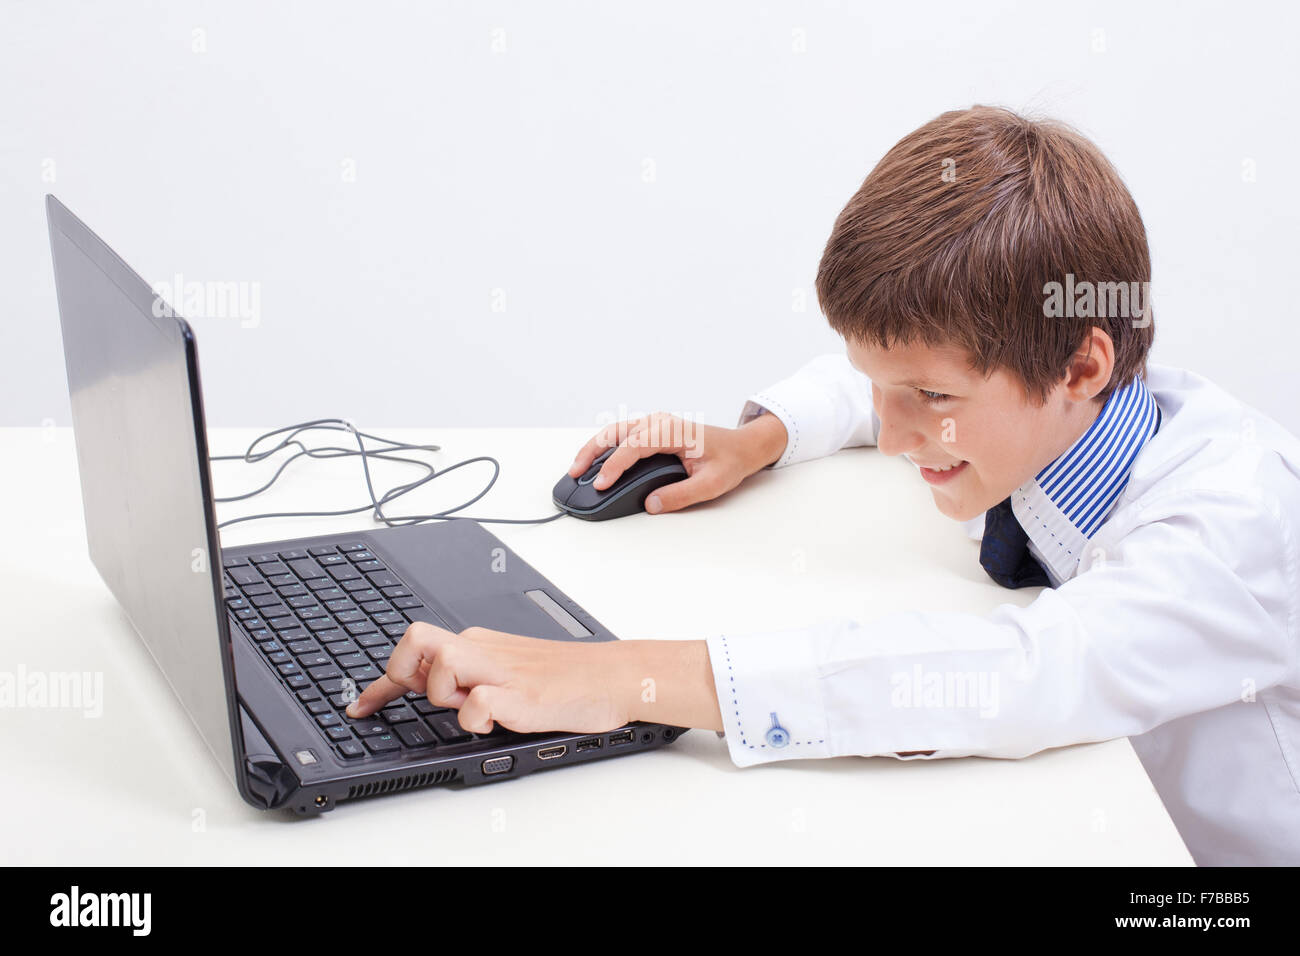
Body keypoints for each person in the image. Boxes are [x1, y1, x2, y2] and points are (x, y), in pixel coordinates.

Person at [348, 106, 1300, 866]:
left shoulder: (1233, 524)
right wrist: (755, 441)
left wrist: (618, 676)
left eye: (930, 399)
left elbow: (1023, 675)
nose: (894, 435)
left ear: (1083, 366)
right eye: (892, 394)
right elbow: (869, 377)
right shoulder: (1060, 401)